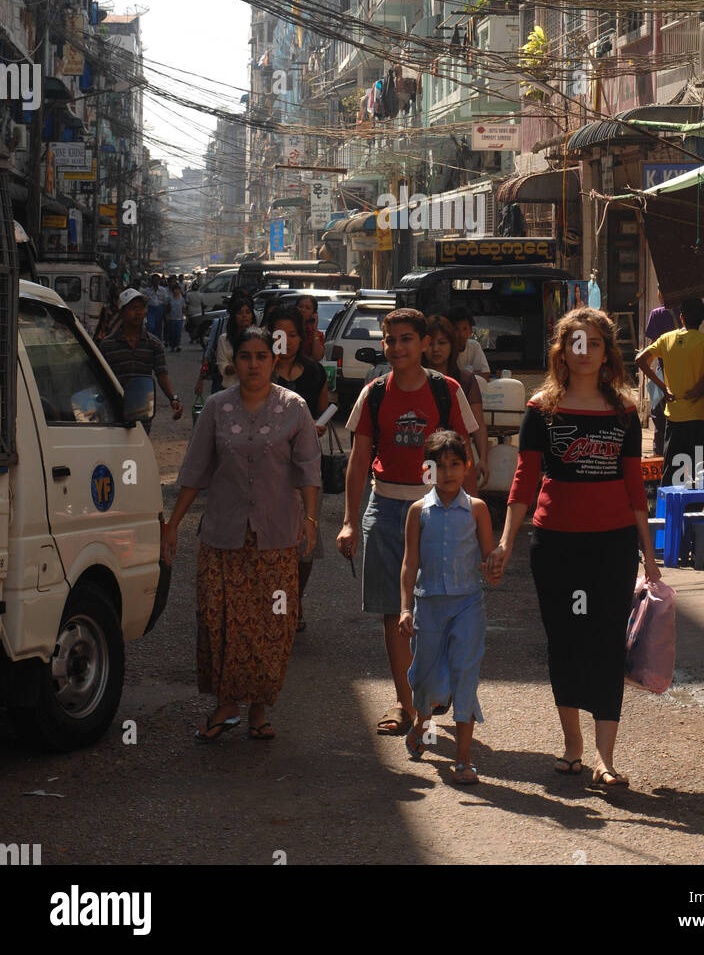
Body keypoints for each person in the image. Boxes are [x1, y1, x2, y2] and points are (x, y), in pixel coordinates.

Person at [488, 308, 659, 787]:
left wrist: (650, 554)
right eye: (574, 343)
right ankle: (572, 746)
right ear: (562, 352)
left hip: (613, 544)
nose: (584, 352)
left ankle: (606, 758)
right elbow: (524, 480)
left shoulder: (625, 411)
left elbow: (634, 487)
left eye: (594, 343)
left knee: (606, 642)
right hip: (556, 543)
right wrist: (505, 542)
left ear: (607, 353)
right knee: (565, 640)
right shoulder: (541, 408)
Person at [162, 326, 321, 743]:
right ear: (237, 362)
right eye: (246, 356)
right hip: (223, 535)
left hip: (276, 536)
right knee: (220, 621)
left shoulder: (294, 407)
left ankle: (258, 709)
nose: (253, 364)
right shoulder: (217, 407)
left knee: (271, 624)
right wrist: (173, 524)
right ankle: (225, 705)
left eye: (262, 356)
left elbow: (308, 468)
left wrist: (311, 520)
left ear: (274, 360)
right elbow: (195, 470)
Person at [337, 308, 479, 738]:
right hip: (385, 509)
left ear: (422, 344)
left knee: (436, 605)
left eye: (405, 339)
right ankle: (406, 703)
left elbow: (464, 456)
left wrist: (462, 513)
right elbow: (360, 459)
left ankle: (434, 688)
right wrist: (348, 520)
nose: (397, 348)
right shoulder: (374, 393)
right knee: (392, 611)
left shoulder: (446, 391)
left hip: (435, 509)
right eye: (390, 340)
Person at [399, 430, 498, 785]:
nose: (448, 473)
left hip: (468, 605)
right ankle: (422, 724)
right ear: (428, 470)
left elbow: (489, 560)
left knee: (464, 676)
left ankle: (464, 757)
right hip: (428, 606)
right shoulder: (418, 512)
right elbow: (410, 562)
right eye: (439, 466)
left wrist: (495, 566)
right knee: (425, 679)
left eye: (455, 464)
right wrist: (405, 608)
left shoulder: (477, 509)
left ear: (466, 466)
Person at [270, 302, 331, 631]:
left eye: (293, 334)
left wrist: (318, 424)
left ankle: (294, 601)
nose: (287, 341)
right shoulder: (260, 372)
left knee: (305, 544)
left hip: (306, 469)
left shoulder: (314, 371)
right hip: (267, 470)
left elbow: (325, 408)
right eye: (280, 334)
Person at [636, 297, 704, 487]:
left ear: (681, 318)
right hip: (698, 417)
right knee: (702, 472)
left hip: (674, 417)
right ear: (701, 320)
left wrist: (662, 386)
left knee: (672, 472)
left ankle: (670, 512)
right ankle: (700, 511)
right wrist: (701, 385)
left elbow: (640, 360)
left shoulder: (666, 339)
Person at [99, 288, 184, 432]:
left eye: (141, 308)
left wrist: (173, 399)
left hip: (142, 410)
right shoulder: (108, 345)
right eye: (133, 308)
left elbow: (162, 375)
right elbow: (101, 379)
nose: (138, 313)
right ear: (122, 312)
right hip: (115, 412)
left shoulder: (154, 344)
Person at [425, 313, 489, 488]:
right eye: (431, 343)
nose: (436, 349)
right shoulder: (414, 380)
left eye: (442, 343)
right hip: (424, 462)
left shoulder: (465, 380)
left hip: (457, 460)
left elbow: (478, 424)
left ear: (452, 345)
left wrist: (483, 460)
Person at [643, 293, 678, 456]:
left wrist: (646, 369)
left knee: (658, 415)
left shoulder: (657, 314)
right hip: (683, 371)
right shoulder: (684, 312)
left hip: (662, 372)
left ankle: (658, 453)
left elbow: (652, 344)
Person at [216, 293, 256, 389]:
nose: (244, 316)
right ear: (234, 316)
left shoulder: (259, 338)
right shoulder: (224, 339)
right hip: (231, 388)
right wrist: (240, 367)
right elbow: (222, 366)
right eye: (240, 313)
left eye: (247, 312)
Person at [449, 307, 490, 377]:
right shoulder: (446, 348)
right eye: (456, 329)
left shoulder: (474, 346)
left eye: (465, 329)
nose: (461, 334)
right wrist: (472, 374)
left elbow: (485, 374)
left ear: (470, 330)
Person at [296, 295, 325, 361]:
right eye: (300, 306)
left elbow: (317, 357)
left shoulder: (317, 334)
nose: (303, 310)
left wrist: (314, 330)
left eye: (307, 308)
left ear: (314, 313)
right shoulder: (287, 328)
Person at [142, 273, 169, 340]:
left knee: (158, 327)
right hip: (151, 310)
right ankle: (150, 339)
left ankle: (158, 341)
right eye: (154, 280)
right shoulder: (147, 291)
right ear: (151, 281)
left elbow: (165, 302)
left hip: (160, 309)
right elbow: (144, 301)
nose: (155, 282)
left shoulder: (163, 290)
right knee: (150, 326)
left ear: (159, 281)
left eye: (157, 280)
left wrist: (166, 314)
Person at [165, 283, 185, 353]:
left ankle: (178, 345)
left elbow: (183, 308)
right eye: (175, 290)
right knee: (172, 333)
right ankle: (172, 346)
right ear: (173, 290)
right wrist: (167, 316)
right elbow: (167, 307)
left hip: (179, 318)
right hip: (171, 318)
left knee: (178, 333)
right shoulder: (169, 298)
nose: (176, 291)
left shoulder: (182, 299)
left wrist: (185, 316)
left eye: (178, 290)